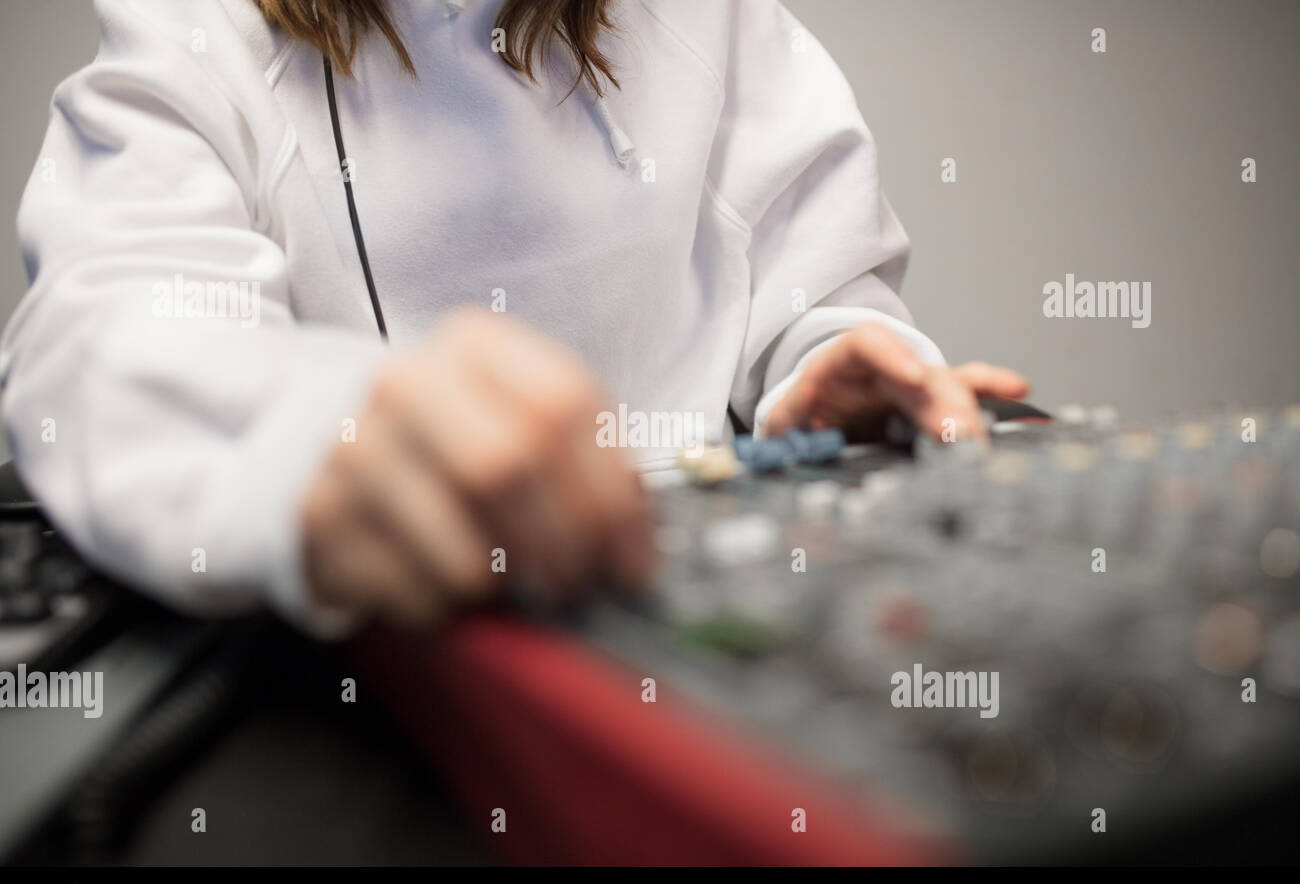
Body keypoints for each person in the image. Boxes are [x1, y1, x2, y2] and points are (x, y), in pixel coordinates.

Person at [2, 0, 1030, 635]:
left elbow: (818, 280)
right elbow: (100, 334)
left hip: (694, 616)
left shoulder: (715, 18)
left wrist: (824, 358)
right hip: (400, 648)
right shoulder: (194, 31)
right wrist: (311, 439)